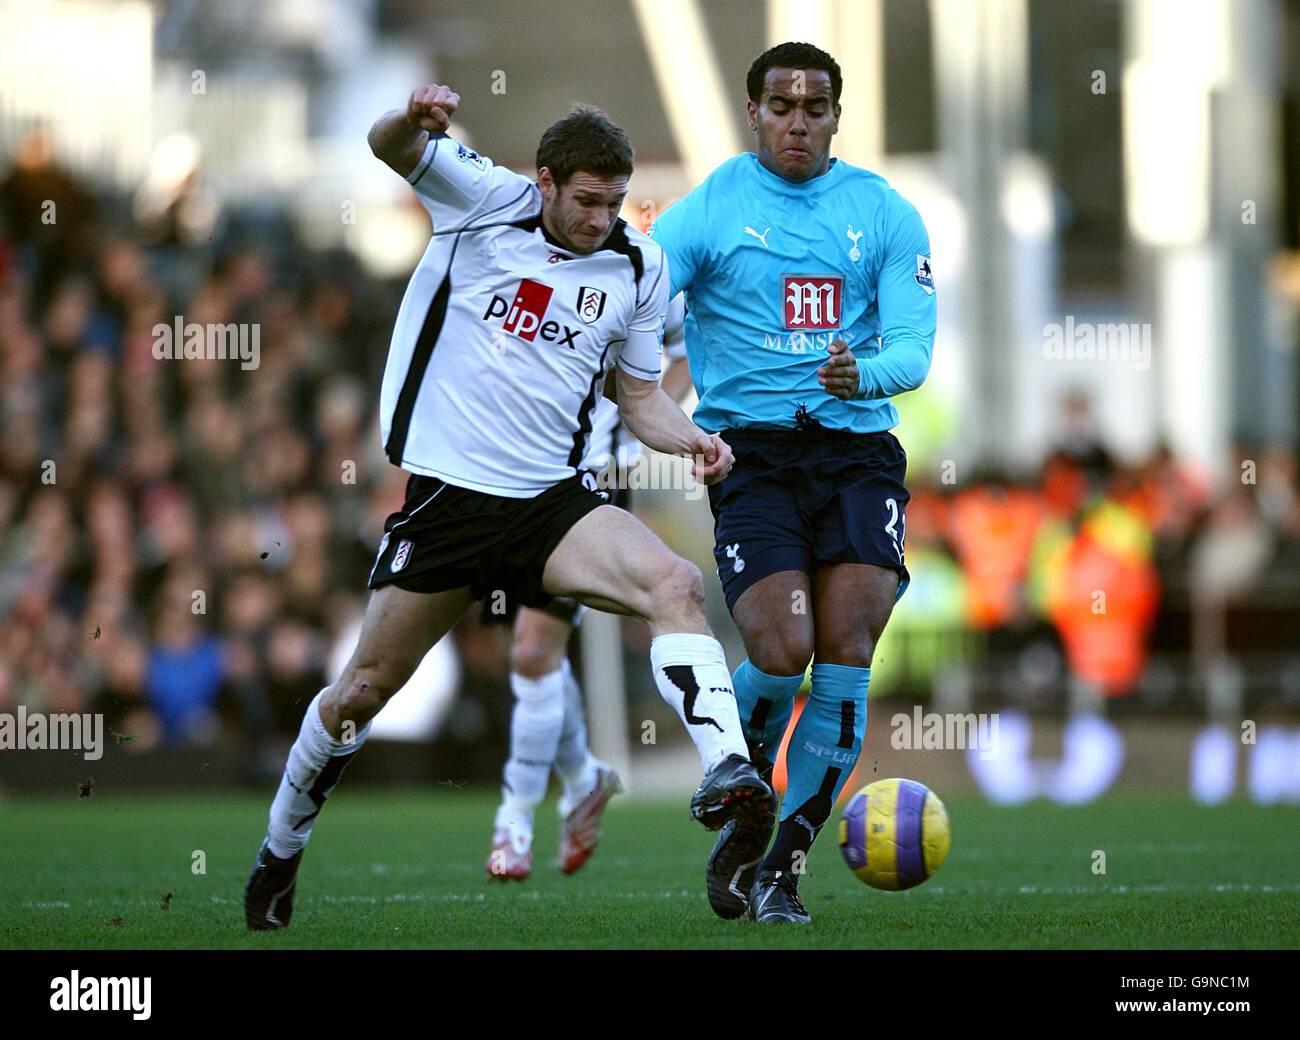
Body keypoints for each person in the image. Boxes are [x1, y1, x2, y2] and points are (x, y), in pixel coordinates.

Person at [244, 83, 772, 929]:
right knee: (359, 695)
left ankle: (729, 773)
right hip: (449, 502)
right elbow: (390, 148)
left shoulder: (638, 266)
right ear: (546, 181)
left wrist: (695, 441)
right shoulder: (485, 199)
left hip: (548, 506)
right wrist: (408, 122)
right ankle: (279, 850)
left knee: (673, 584)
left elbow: (639, 399)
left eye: (613, 203)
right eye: (587, 201)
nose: (602, 219)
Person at [649, 41, 937, 923]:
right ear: (755, 113)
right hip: (753, 456)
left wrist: (866, 375)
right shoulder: (707, 212)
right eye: (782, 106)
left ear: (837, 117)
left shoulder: (884, 213)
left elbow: (913, 349)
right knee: (781, 649)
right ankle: (739, 784)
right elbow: (637, 303)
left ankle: (782, 863)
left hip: (855, 454)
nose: (798, 122)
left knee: (847, 647)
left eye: (815, 108)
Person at [486, 299, 691, 881]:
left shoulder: (631, 268)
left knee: (532, 651)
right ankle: (583, 776)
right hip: (507, 479)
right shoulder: (511, 257)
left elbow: (687, 345)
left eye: (605, 201)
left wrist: (637, 422)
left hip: (588, 484)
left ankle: (514, 822)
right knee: (531, 656)